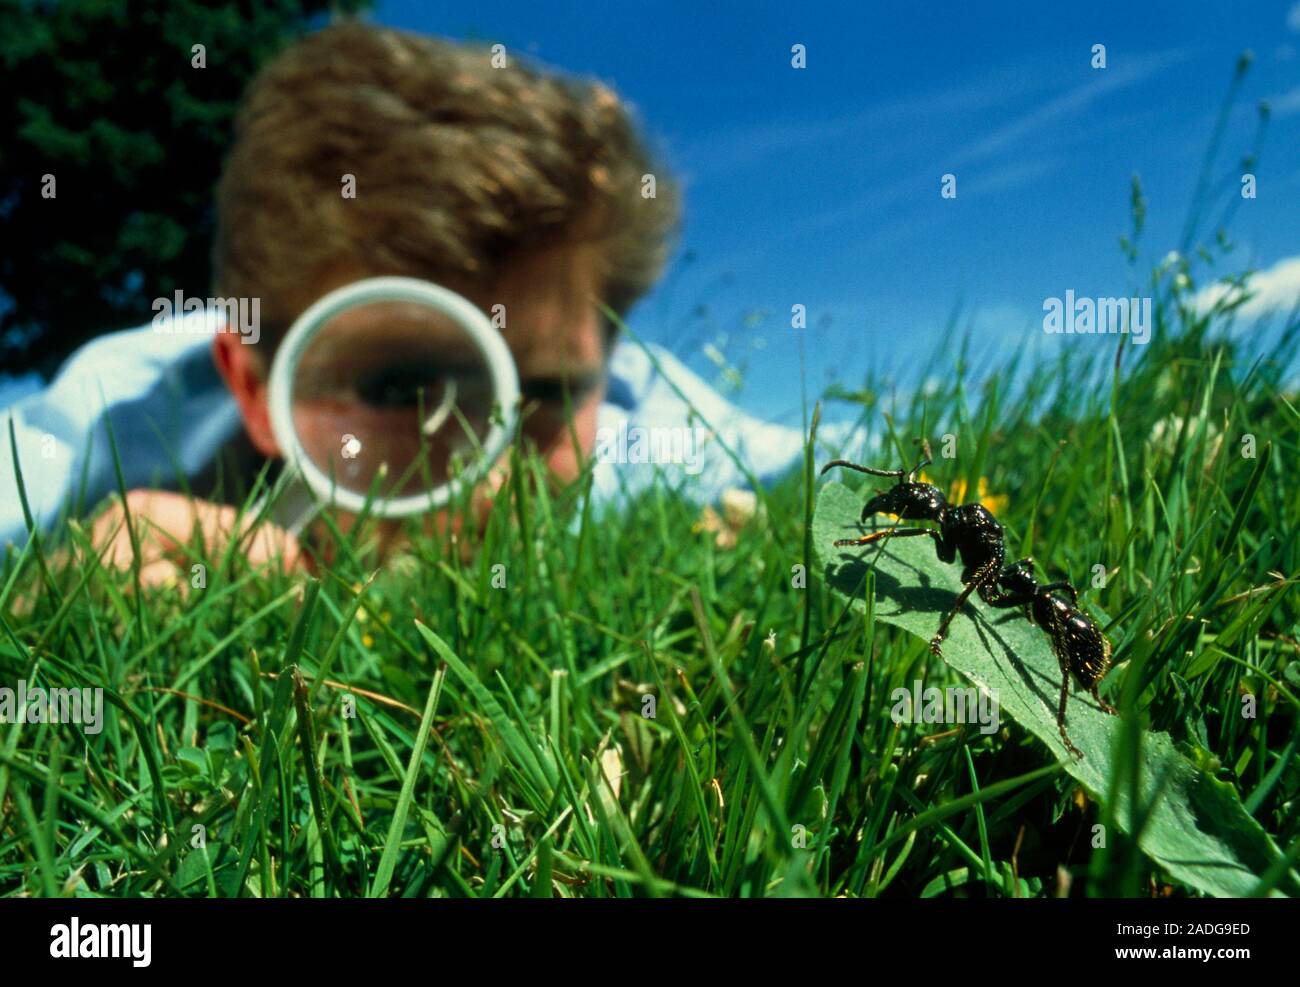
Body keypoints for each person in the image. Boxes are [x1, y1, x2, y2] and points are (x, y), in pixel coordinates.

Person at [0, 22, 811, 582]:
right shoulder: (120, 420)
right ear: (254, 389)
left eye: (545, 395)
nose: (482, 485)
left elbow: (847, 464)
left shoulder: (643, 423)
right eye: (400, 389)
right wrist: (44, 600)